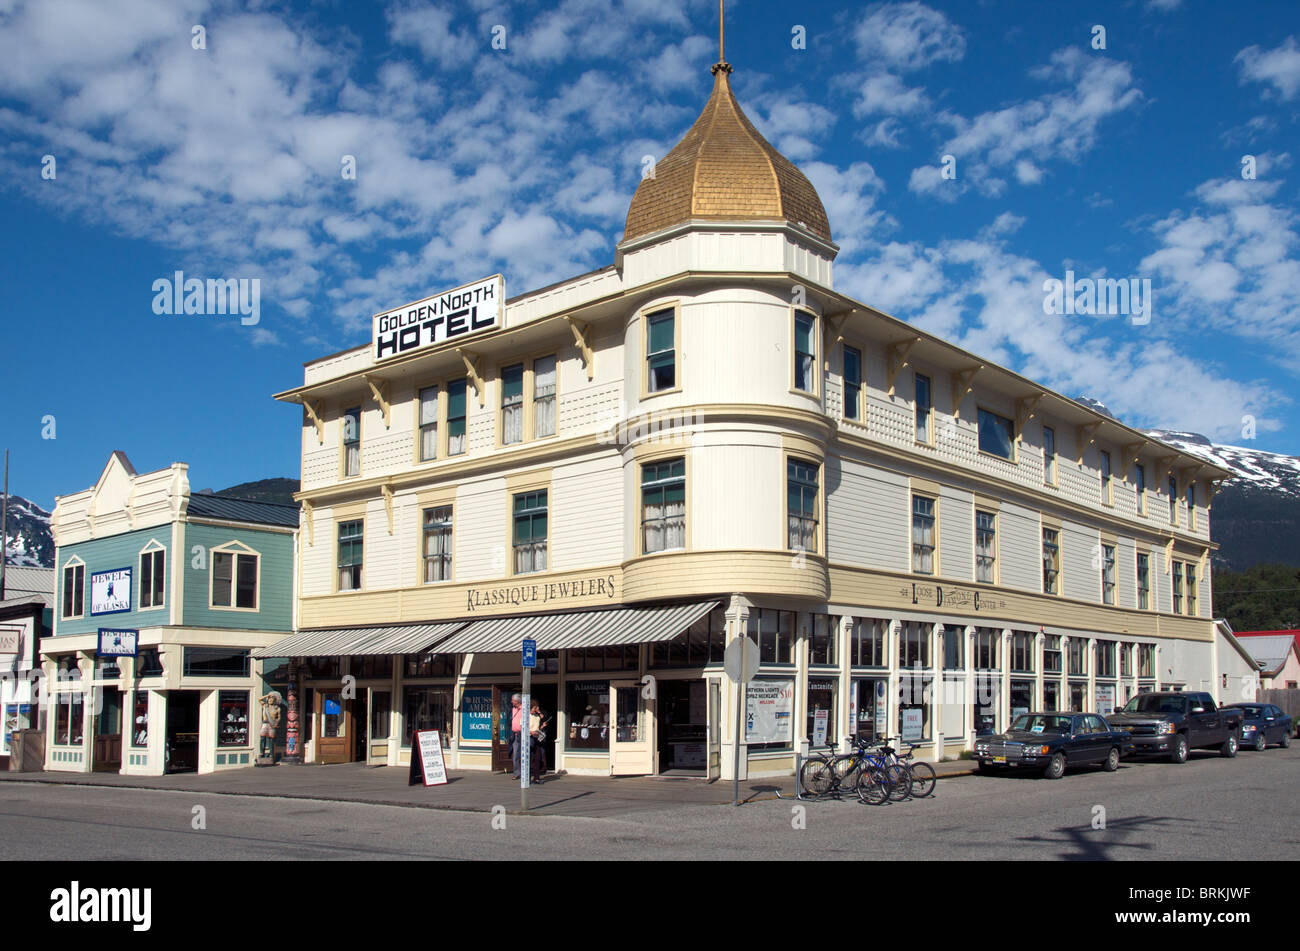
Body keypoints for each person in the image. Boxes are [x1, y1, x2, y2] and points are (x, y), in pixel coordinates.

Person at [529, 700, 551, 782]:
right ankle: (527, 777)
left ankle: (536, 778)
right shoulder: (526, 716)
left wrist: (542, 727)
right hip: (529, 738)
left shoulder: (537, 716)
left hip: (536, 738)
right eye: (535, 708)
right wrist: (531, 732)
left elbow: (542, 721)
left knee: (537, 758)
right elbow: (522, 728)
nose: (536, 709)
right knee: (529, 758)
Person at [509, 693, 523, 778]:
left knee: (524, 753)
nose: (511, 702)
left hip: (522, 733)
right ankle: (517, 773)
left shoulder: (524, 709)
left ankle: (525, 771)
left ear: (518, 701)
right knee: (515, 754)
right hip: (514, 733)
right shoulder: (513, 709)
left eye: (513, 700)